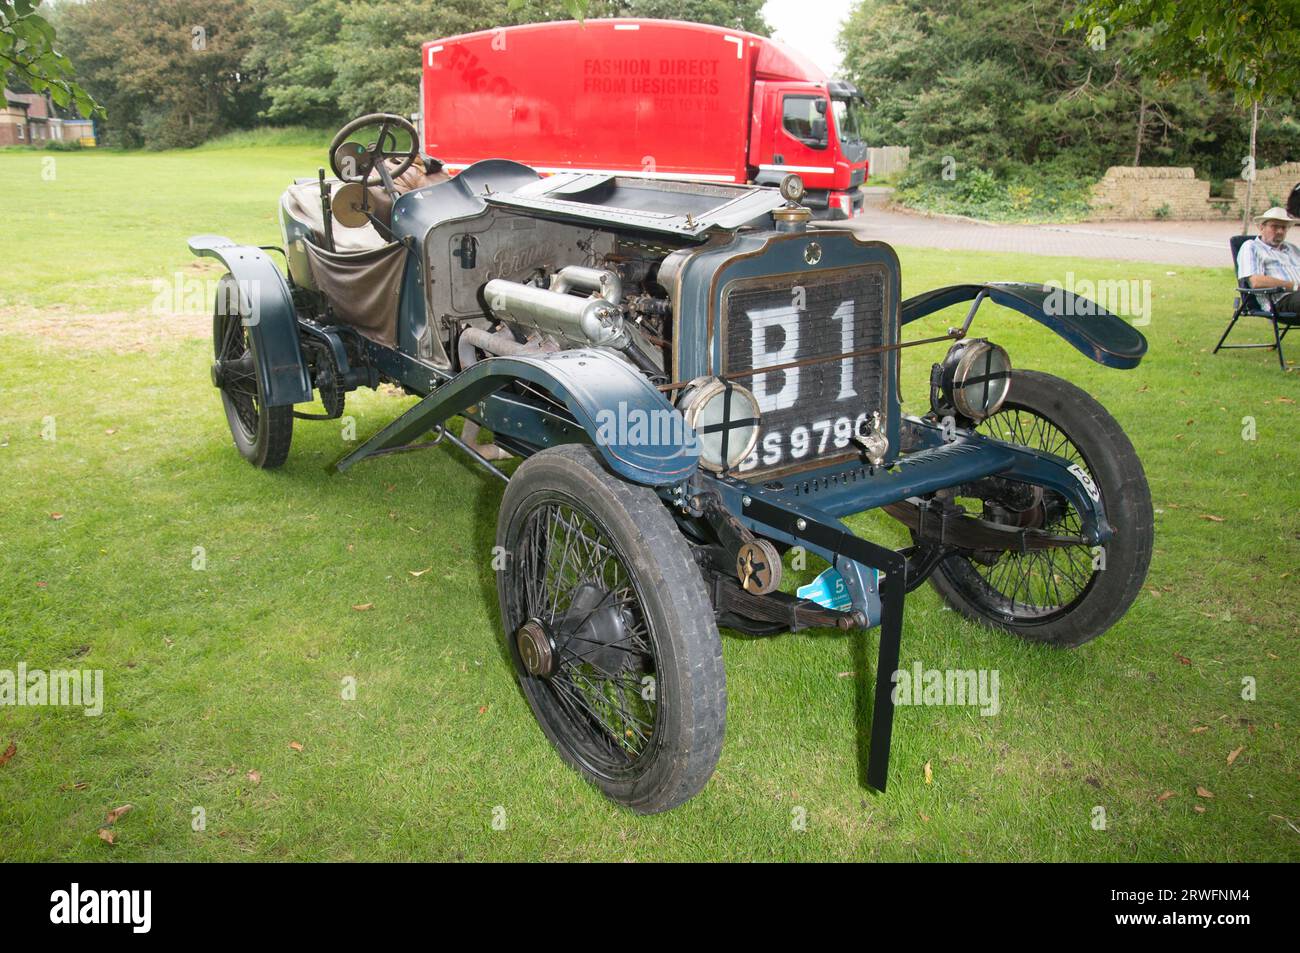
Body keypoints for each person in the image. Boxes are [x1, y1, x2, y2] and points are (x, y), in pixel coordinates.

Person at [1236, 207, 1300, 314]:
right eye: (1274, 226)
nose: (1280, 231)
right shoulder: (1251, 247)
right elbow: (1256, 281)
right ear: (1262, 227)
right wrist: (1294, 286)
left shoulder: (1293, 249)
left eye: (1284, 227)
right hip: (1280, 300)